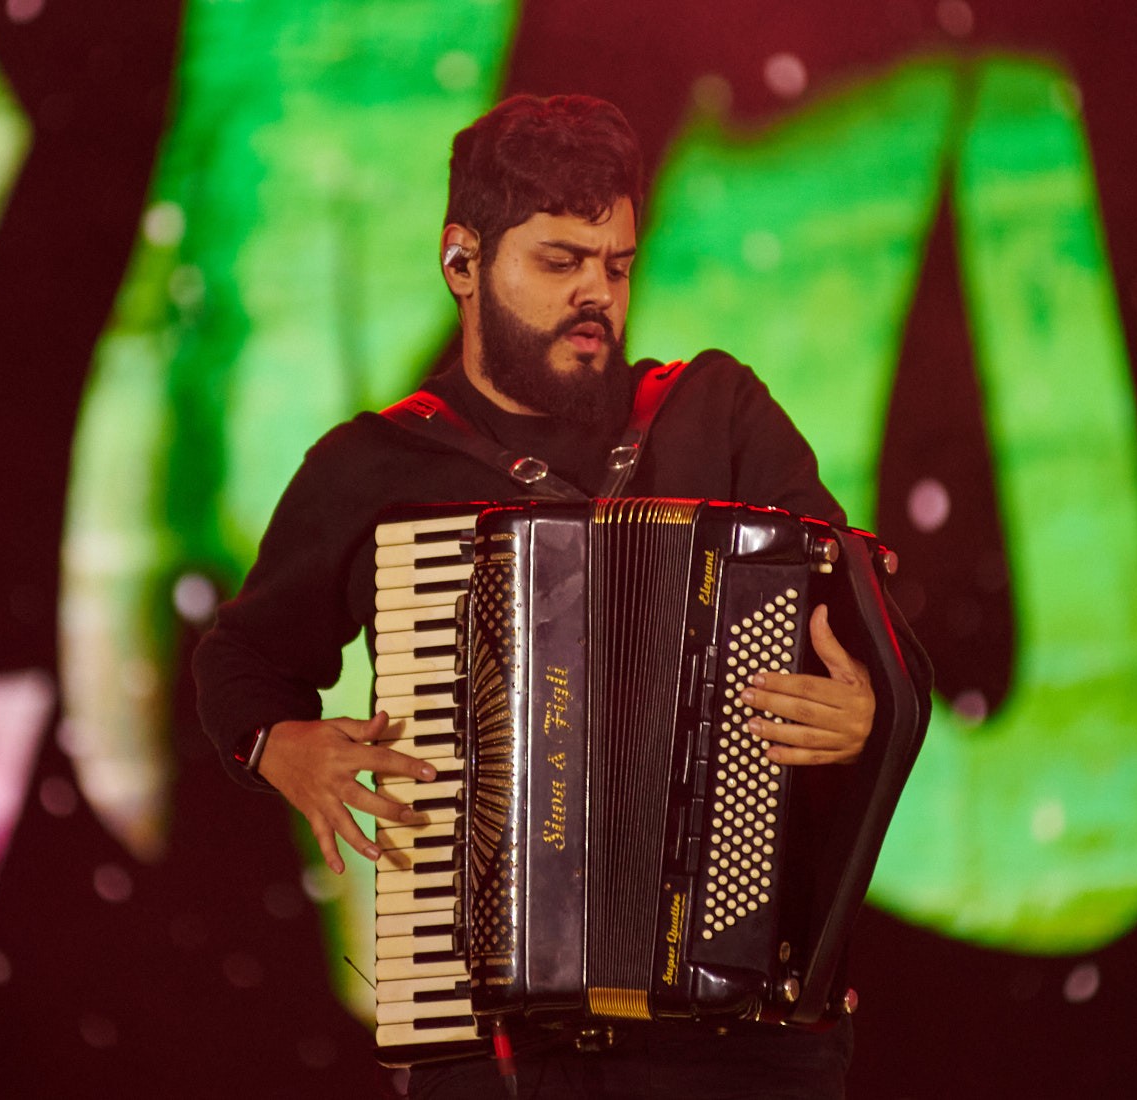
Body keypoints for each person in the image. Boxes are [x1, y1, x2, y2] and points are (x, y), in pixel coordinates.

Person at [194, 93, 881, 1099]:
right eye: (558, 262)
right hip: (498, 1049)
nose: (594, 295)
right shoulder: (377, 465)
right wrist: (278, 744)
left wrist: (860, 700)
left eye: (615, 265)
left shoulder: (714, 414)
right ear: (461, 262)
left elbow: (860, 614)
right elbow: (241, 659)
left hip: (736, 1041)